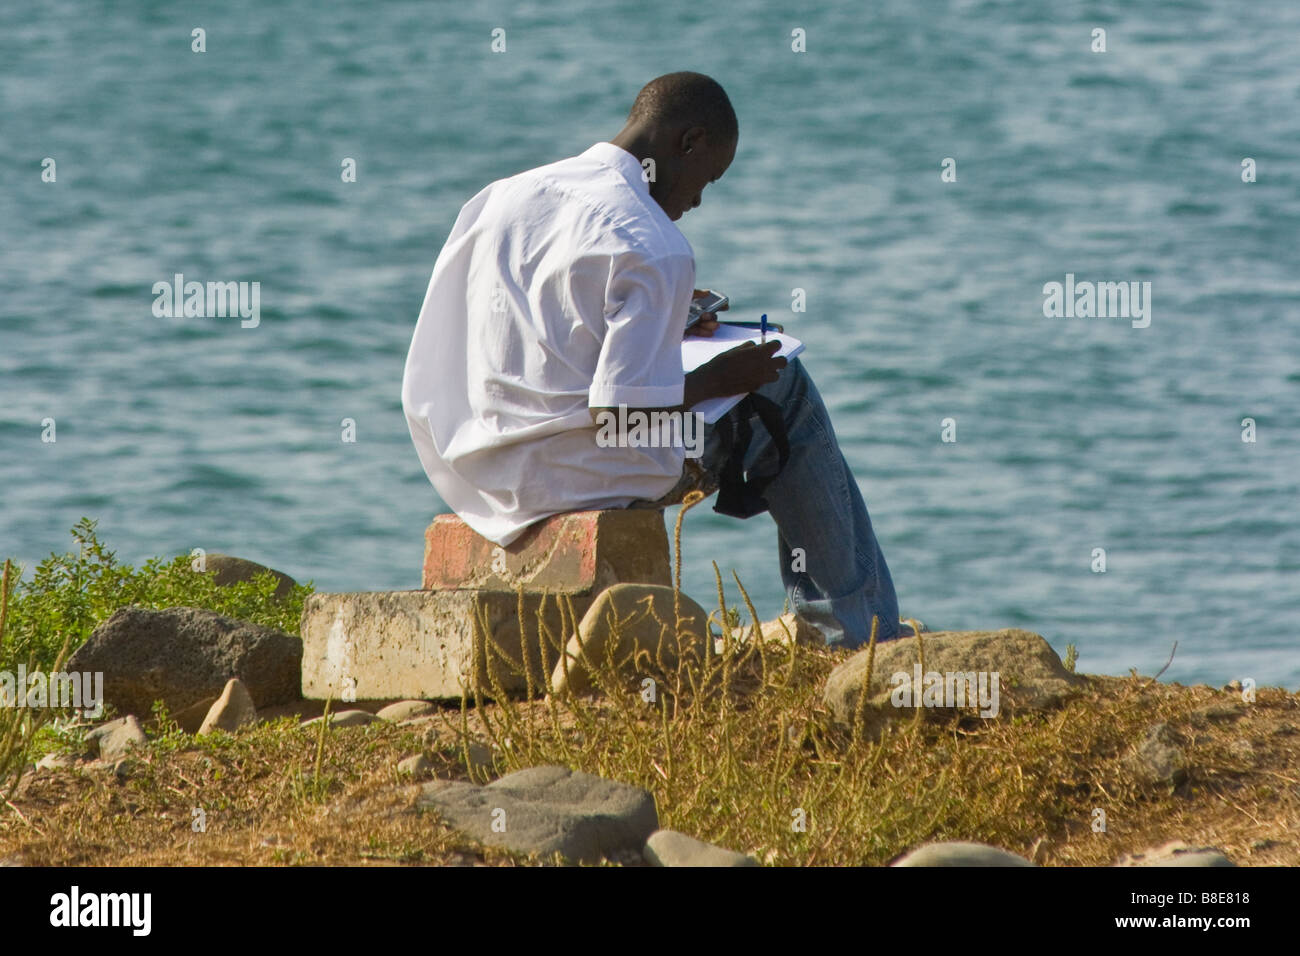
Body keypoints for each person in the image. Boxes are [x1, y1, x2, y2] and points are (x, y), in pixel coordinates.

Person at [402, 71, 909, 649]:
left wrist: (672, 318)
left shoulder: (506, 196)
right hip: (572, 472)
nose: (696, 200)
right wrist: (721, 377)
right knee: (781, 391)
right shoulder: (652, 242)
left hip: (472, 462)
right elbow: (620, 416)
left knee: (754, 392)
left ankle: (853, 620)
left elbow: (538, 327)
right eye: (707, 179)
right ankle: (851, 630)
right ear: (687, 143)